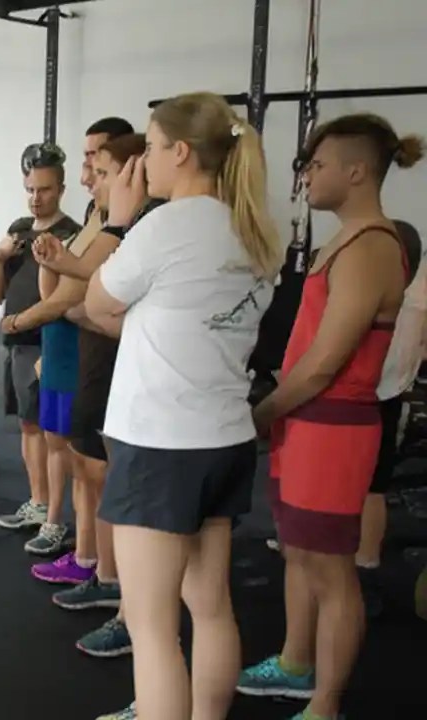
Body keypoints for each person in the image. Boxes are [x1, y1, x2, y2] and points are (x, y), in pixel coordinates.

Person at [86, 92, 280, 720]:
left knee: (151, 628)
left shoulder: (165, 225)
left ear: (180, 152)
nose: (141, 160)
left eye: (149, 146)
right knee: (211, 605)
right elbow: (178, 321)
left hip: (162, 446)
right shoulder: (252, 229)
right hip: (223, 439)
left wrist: (119, 221)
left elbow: (97, 303)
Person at [239, 114, 422, 720]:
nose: (308, 177)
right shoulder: (343, 241)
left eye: (317, 166)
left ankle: (325, 705)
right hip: (305, 421)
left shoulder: (372, 246)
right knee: (299, 552)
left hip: (332, 426)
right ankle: (296, 663)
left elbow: (324, 364)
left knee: (332, 570)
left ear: (357, 171)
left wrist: (261, 413)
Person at [30, 134, 154, 664]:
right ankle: (104, 577)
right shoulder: (110, 225)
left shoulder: (148, 229)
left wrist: (42, 313)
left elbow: (102, 304)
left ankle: (131, 613)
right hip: (100, 370)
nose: (90, 179)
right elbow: (84, 292)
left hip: (142, 392)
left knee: (131, 504)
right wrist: (59, 269)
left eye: (100, 170)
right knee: (94, 476)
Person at [0, 151, 82, 552]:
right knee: (28, 427)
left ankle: (55, 518)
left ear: (60, 189)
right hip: (15, 342)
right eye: (30, 189)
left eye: (44, 189)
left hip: (48, 344)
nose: (36, 197)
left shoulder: (72, 235)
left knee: (54, 436)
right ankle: (39, 502)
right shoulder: (19, 231)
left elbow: (65, 299)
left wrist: (47, 345)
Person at [358, 219, 425, 618]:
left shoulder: (375, 296)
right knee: (374, 486)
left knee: (359, 486)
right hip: (389, 399)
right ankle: (365, 564)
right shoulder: (417, 295)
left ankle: (345, 563)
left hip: (361, 399)